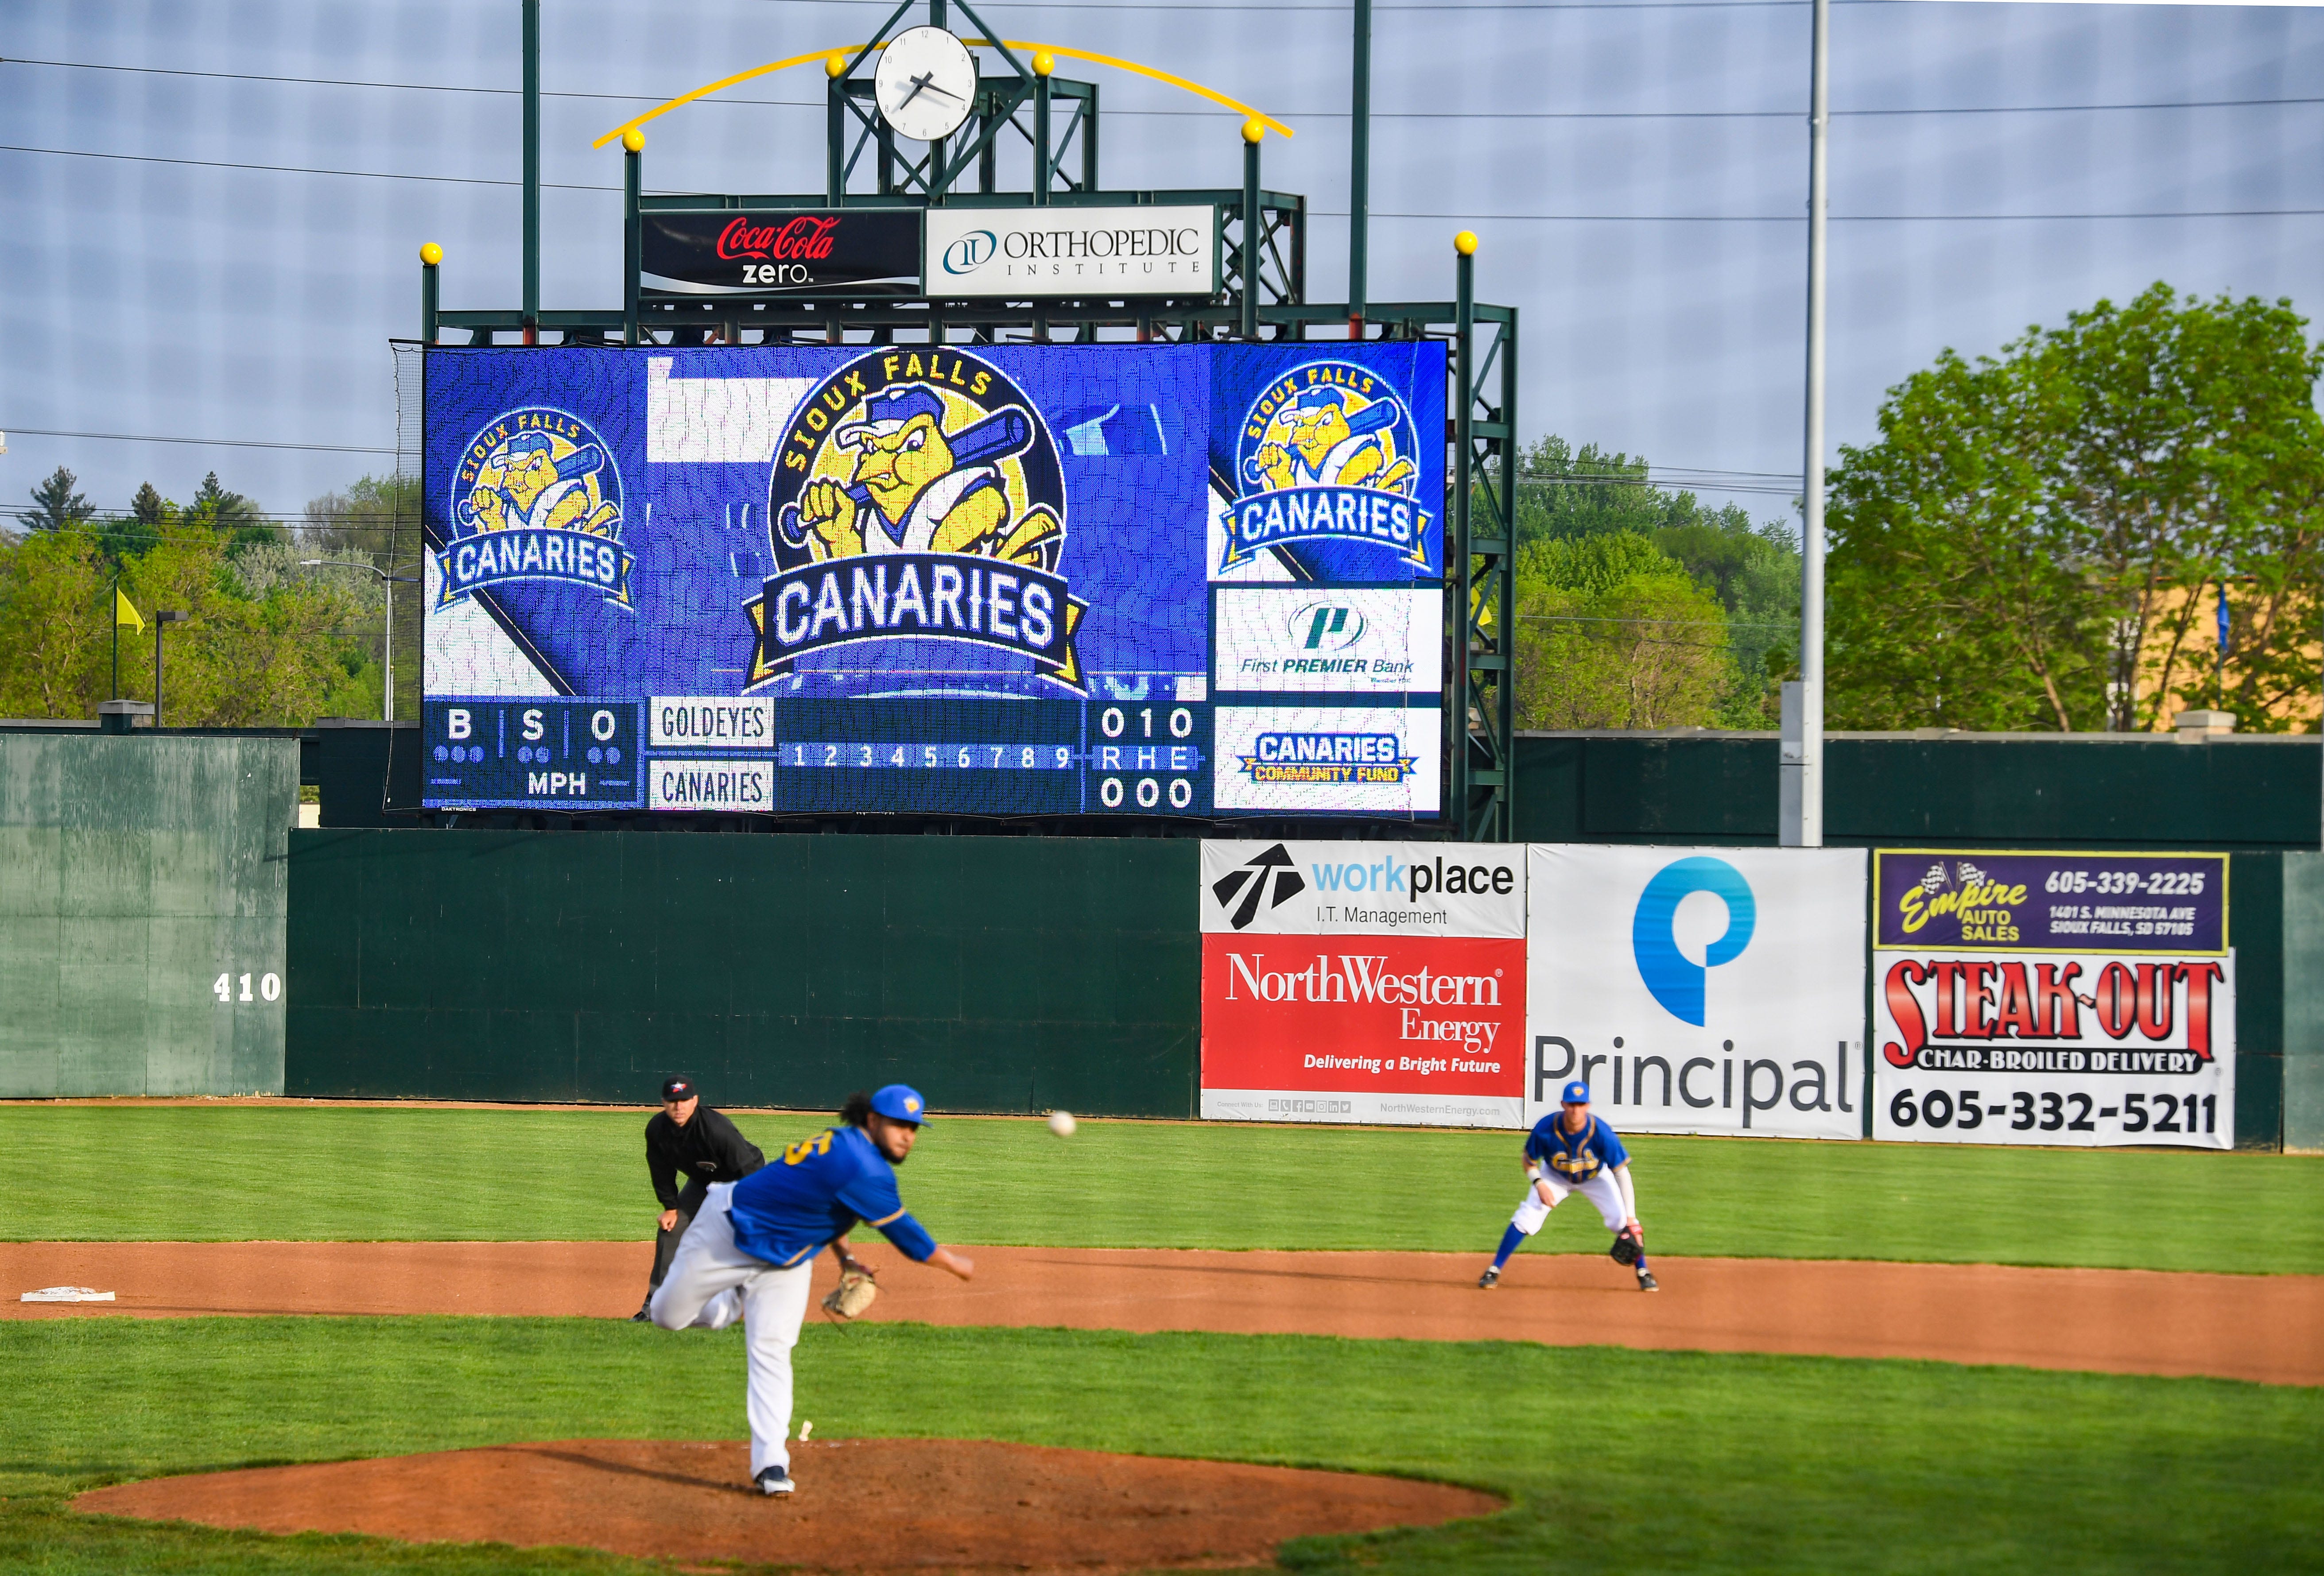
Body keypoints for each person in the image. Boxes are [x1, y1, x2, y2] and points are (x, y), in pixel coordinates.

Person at [647, 1084, 976, 1496]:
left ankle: (771, 1464)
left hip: (785, 1263)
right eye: (899, 1125)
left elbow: (831, 1208)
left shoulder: (843, 1142)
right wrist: (957, 1265)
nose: (908, 1135)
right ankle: (728, 1306)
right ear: (873, 1121)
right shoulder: (863, 1165)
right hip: (727, 1231)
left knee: (772, 1353)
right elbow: (911, 1240)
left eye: (914, 1127)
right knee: (666, 1315)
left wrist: (846, 1261)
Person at [1478, 1079, 1657, 1292]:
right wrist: (1540, 1184)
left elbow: (1622, 1173)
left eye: (1580, 1105)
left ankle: (1643, 1272)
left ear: (1588, 1106)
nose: (1576, 1110)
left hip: (1595, 1178)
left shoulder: (1602, 1133)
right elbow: (1528, 1160)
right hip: (1555, 1176)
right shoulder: (1546, 1128)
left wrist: (1630, 1216)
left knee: (1622, 1222)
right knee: (1528, 1217)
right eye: (1572, 1104)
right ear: (1563, 1104)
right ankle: (1494, 1269)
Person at [636, 1077, 767, 1321]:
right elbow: (661, 1170)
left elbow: (747, 1167)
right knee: (671, 1230)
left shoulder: (716, 1129)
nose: (679, 1107)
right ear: (663, 1103)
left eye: (684, 1100)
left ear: (695, 1101)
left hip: (743, 1180)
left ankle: (757, 1305)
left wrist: (753, 1210)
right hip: (704, 1182)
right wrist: (671, 1207)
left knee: (745, 1234)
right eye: (673, 1101)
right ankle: (654, 1307)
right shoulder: (657, 1130)